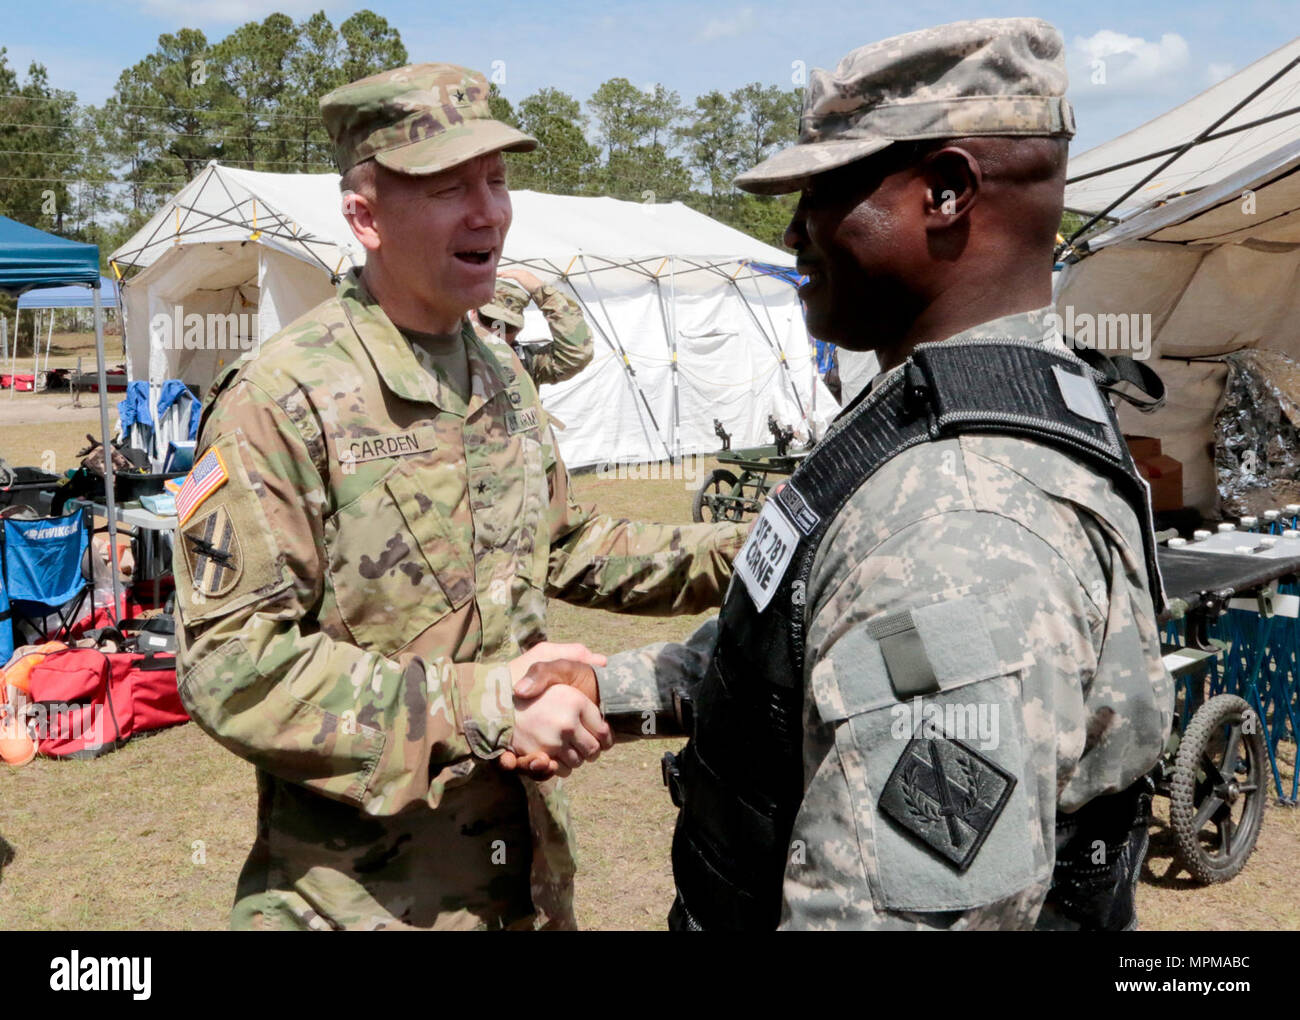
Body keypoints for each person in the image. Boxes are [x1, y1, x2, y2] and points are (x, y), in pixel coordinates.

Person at [511, 19, 1173, 931]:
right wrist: (608, 688)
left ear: (945, 192)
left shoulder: (957, 519)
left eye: (824, 192)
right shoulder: (925, 418)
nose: (793, 232)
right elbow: (812, 643)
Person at [171, 62, 747, 931]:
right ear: (364, 216)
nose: (489, 212)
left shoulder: (500, 370)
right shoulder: (283, 396)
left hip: (521, 888)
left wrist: (758, 548)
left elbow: (564, 544)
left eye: (498, 179)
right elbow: (230, 667)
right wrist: (487, 705)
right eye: (448, 188)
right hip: (355, 905)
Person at [474, 269, 593, 385]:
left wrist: (543, 293)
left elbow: (577, 354)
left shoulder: (528, 362)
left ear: (519, 329)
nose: (497, 331)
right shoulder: (457, 353)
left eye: (508, 326)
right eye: (489, 320)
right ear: (473, 313)